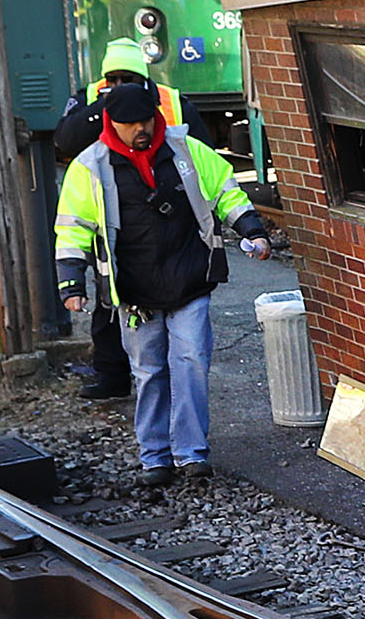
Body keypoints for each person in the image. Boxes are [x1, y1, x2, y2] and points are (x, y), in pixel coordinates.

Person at [53, 81, 273, 488]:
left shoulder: (185, 149)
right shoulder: (89, 167)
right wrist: (72, 284)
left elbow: (225, 189)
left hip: (189, 277)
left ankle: (191, 453)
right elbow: (72, 230)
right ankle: (154, 456)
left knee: (191, 364)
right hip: (134, 292)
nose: (140, 129)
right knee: (150, 372)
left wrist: (252, 229)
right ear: (110, 122)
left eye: (145, 120)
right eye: (130, 123)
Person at [51, 41, 187, 400]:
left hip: (166, 224)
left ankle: (165, 377)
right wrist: (106, 106)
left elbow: (197, 154)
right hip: (110, 219)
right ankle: (112, 375)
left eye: (128, 78)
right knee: (109, 306)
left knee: (173, 309)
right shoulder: (89, 99)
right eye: (113, 77)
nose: (120, 83)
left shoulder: (169, 99)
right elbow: (65, 140)